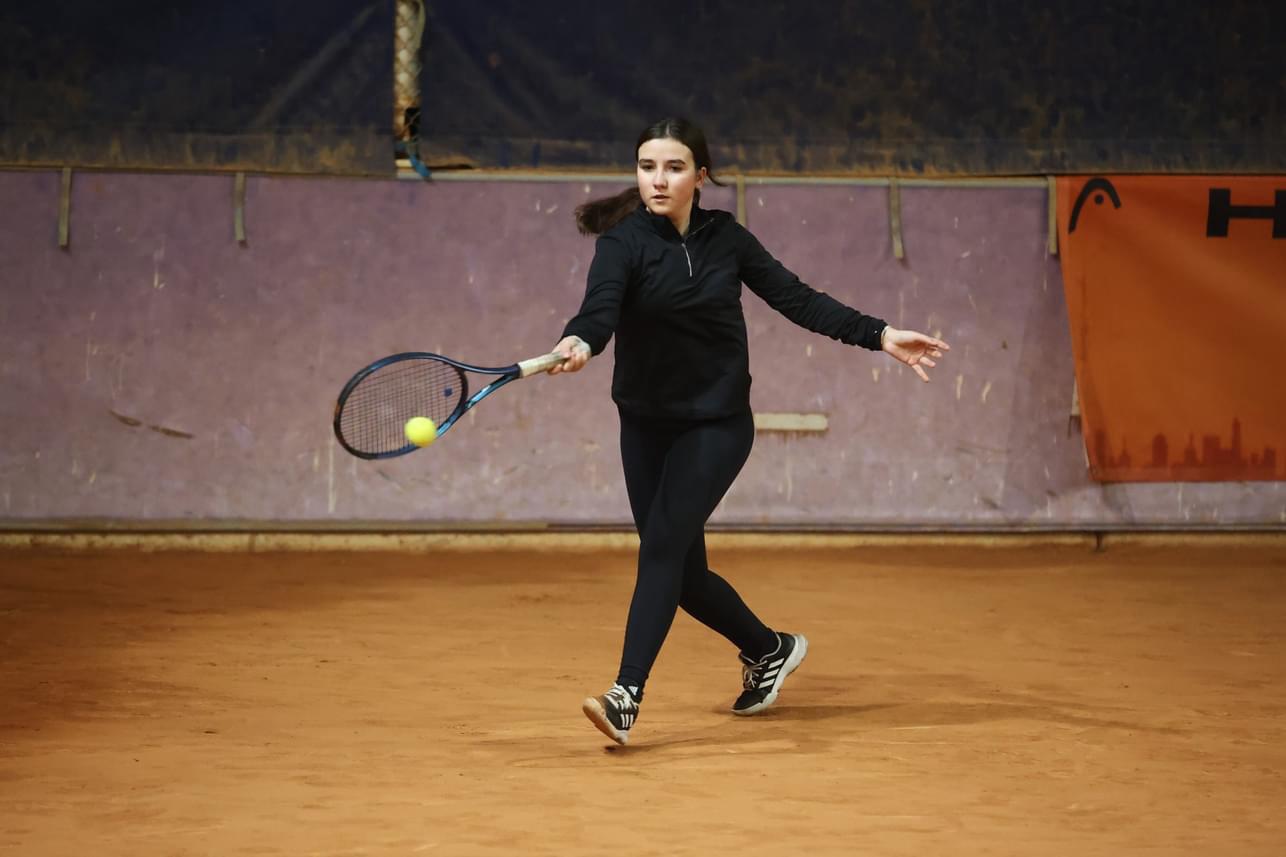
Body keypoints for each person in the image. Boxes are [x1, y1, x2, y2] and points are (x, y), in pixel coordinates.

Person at [548, 117, 949, 745]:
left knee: (659, 550)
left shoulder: (727, 240)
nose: (658, 180)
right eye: (648, 167)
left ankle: (625, 695)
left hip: (716, 425)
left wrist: (880, 335)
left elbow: (798, 299)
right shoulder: (621, 245)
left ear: (700, 176)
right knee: (683, 576)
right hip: (644, 426)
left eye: (674, 167)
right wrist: (580, 340)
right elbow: (599, 308)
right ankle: (769, 649)